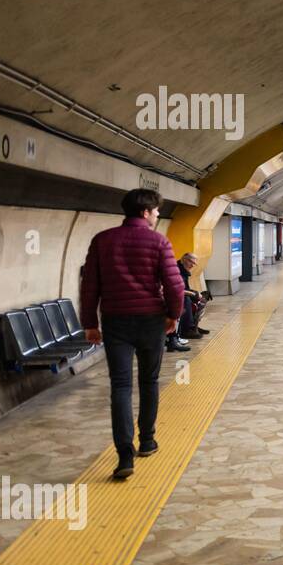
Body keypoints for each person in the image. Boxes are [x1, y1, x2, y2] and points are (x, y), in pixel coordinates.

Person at [79, 188, 185, 481]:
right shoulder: (159, 242)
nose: (158, 215)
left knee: (121, 386)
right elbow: (174, 286)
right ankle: (147, 441)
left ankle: (124, 453)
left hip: (115, 322)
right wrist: (173, 315)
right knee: (149, 381)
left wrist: (90, 323)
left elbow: (90, 285)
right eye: (156, 211)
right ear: (145, 212)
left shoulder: (102, 241)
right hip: (151, 321)